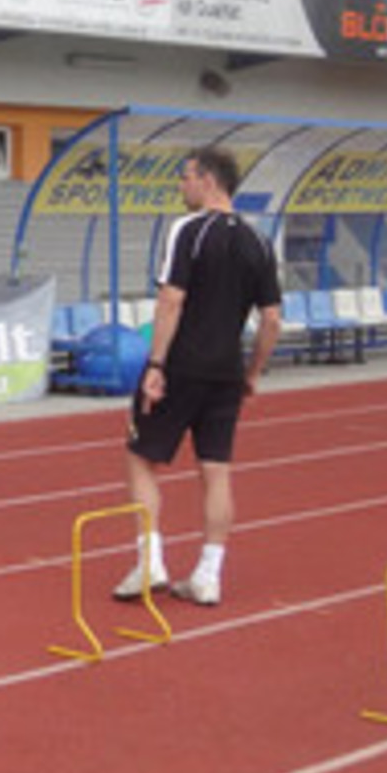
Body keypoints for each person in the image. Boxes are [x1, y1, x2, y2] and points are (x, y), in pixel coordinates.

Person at [116, 147, 282, 607]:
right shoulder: (259, 242)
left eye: (185, 176)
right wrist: (253, 372)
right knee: (215, 470)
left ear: (208, 180)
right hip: (227, 371)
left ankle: (150, 561)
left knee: (140, 458)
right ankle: (208, 574)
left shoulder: (188, 230)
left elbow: (171, 299)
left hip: (181, 366)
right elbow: (271, 319)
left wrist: (155, 365)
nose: (181, 185)